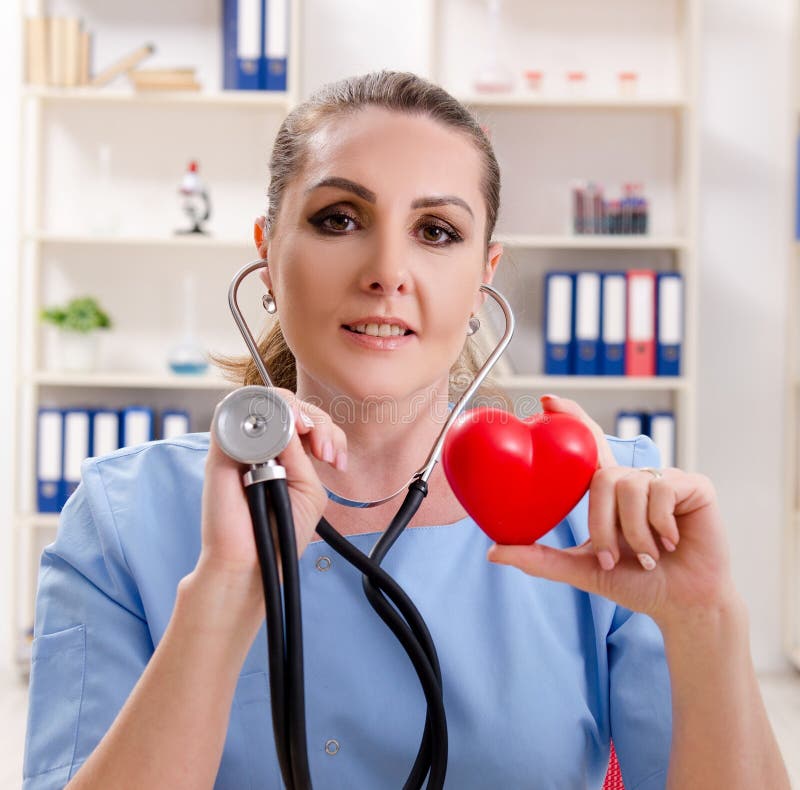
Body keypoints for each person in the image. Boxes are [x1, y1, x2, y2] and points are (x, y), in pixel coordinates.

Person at [23, 70, 789, 790]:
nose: (387, 269)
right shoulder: (125, 516)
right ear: (267, 250)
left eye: (436, 231)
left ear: (486, 272)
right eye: (338, 219)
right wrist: (226, 590)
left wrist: (705, 622)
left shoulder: (608, 506)